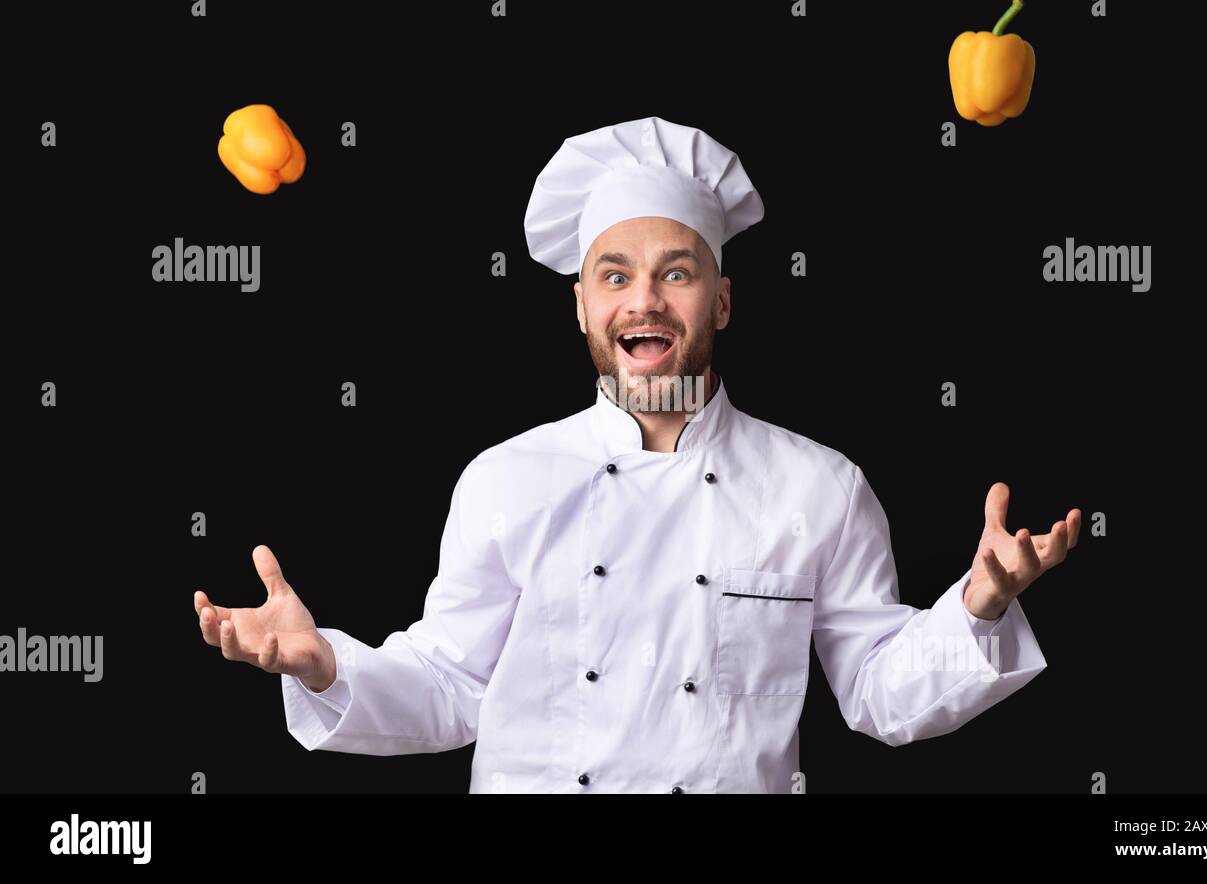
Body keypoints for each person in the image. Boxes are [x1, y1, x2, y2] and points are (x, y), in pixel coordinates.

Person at [193, 116, 1081, 793]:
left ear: (722, 301)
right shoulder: (504, 480)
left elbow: (880, 693)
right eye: (614, 275)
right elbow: (448, 688)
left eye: (677, 272)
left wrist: (978, 608)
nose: (643, 300)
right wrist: (324, 665)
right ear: (581, 306)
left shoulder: (822, 486)